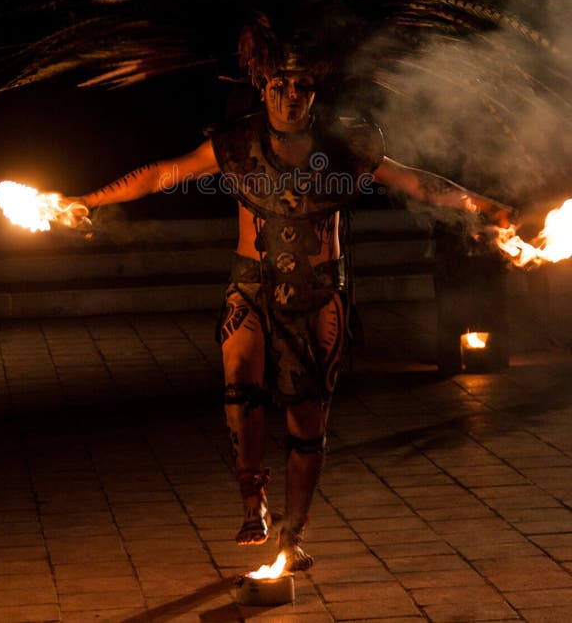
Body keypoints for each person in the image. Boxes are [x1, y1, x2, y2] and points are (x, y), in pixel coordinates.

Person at [65, 45, 514, 573]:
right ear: (261, 85)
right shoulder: (236, 143)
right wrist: (89, 201)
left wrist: (482, 205)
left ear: (317, 89)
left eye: (302, 85)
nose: (291, 96)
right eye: (280, 84)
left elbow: (418, 182)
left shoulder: (346, 146)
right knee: (238, 378)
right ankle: (251, 497)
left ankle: (292, 534)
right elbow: (166, 172)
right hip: (252, 283)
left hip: (319, 292)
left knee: (306, 417)